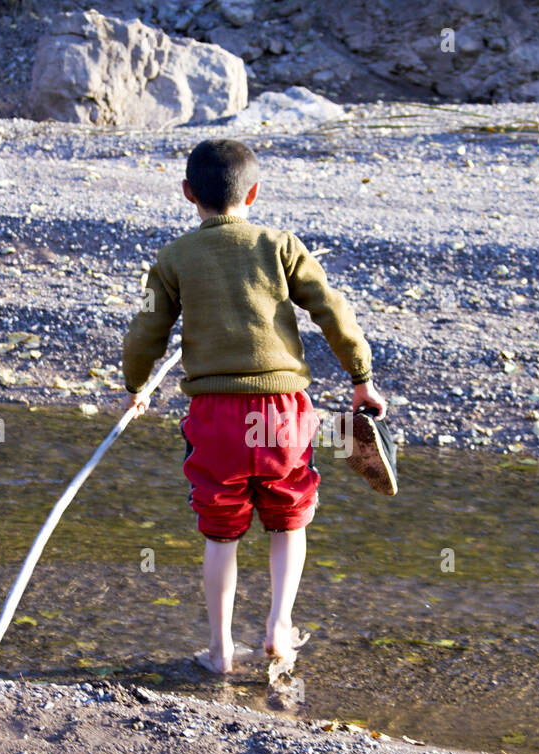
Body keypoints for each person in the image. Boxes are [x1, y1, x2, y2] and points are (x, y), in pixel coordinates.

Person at [122, 138, 387, 675]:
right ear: (255, 192)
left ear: (187, 193)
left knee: (221, 529)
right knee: (289, 520)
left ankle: (220, 652)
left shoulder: (173, 258)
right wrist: (362, 378)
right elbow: (332, 312)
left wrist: (135, 385)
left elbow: (146, 329)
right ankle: (278, 631)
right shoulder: (280, 244)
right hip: (282, 413)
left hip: (215, 417)